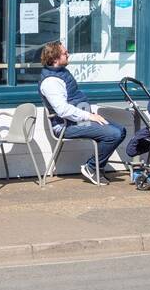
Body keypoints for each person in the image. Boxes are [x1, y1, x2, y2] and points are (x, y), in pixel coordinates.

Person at [38, 40, 126, 185]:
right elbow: (63, 110)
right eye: (65, 53)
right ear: (54, 58)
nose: (68, 55)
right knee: (113, 134)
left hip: (79, 120)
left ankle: (96, 166)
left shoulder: (61, 72)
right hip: (65, 126)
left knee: (120, 130)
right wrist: (89, 115)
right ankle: (92, 167)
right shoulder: (51, 81)